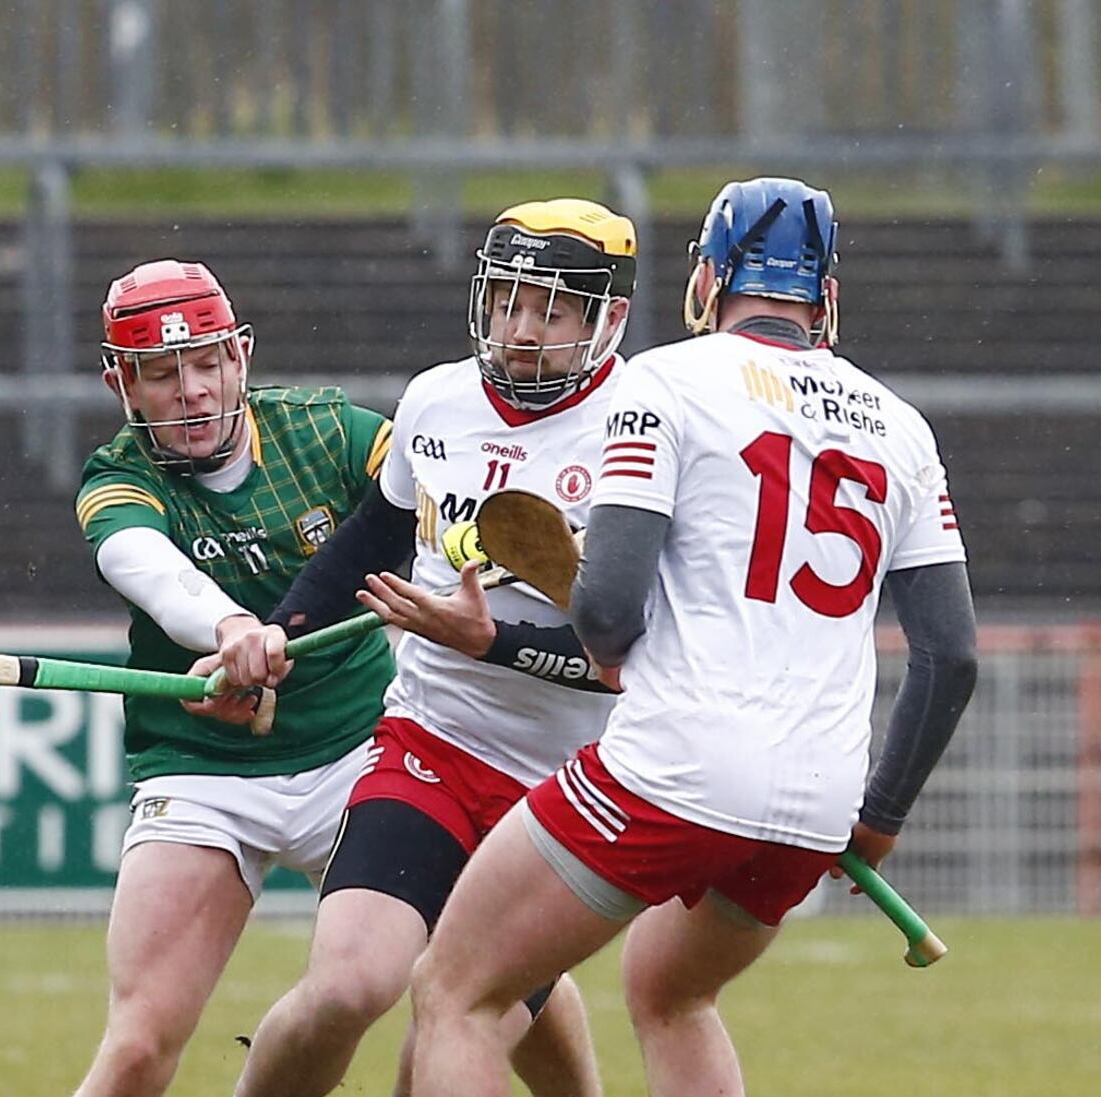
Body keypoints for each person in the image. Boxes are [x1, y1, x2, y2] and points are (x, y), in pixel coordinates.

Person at [406, 177, 980, 1097]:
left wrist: (599, 644)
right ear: (824, 295)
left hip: (676, 767)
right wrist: (878, 819)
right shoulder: (902, 428)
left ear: (709, 278)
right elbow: (950, 656)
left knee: (457, 991)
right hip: (819, 796)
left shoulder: (663, 382)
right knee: (671, 993)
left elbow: (610, 605)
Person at [216, 198, 640, 1097]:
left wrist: (493, 641)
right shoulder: (437, 399)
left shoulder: (648, 429)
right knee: (348, 986)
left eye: (552, 309)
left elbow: (633, 651)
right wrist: (278, 632)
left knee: (450, 1028)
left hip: (569, 791)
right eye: (508, 301)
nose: (521, 329)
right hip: (432, 745)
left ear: (610, 321)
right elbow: (369, 541)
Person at [66, 258, 396, 1097]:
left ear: (240, 357)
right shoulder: (118, 481)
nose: (191, 390)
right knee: (138, 1046)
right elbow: (145, 566)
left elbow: (435, 498)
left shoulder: (330, 433)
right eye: (162, 373)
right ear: (122, 383)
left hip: (359, 753)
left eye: (207, 362)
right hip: (203, 771)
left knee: (511, 981)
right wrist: (231, 630)